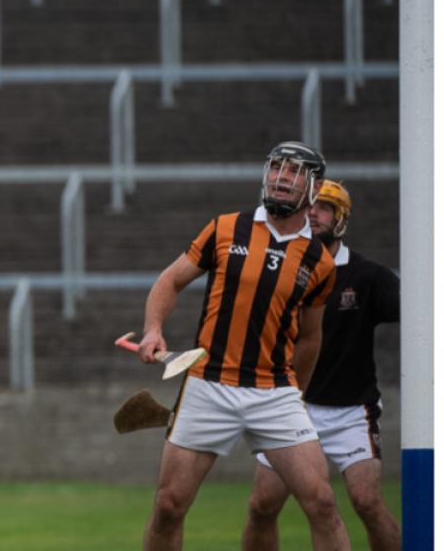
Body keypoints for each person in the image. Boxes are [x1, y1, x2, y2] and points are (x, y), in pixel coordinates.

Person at [136, 141, 351, 550]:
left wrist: (296, 395)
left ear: (313, 186)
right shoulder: (225, 228)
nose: (280, 178)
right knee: (169, 505)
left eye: (292, 172)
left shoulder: (317, 261)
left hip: (274, 392)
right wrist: (153, 330)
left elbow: (310, 336)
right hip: (207, 385)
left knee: (322, 502)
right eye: (276, 169)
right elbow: (170, 281)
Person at [242, 179, 401, 550]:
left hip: (352, 411)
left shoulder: (369, 276)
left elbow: (418, 316)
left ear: (341, 218)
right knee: (261, 506)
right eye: (309, 206)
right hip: (291, 407)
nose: (313, 213)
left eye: (324, 207)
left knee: (367, 502)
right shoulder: (280, 266)